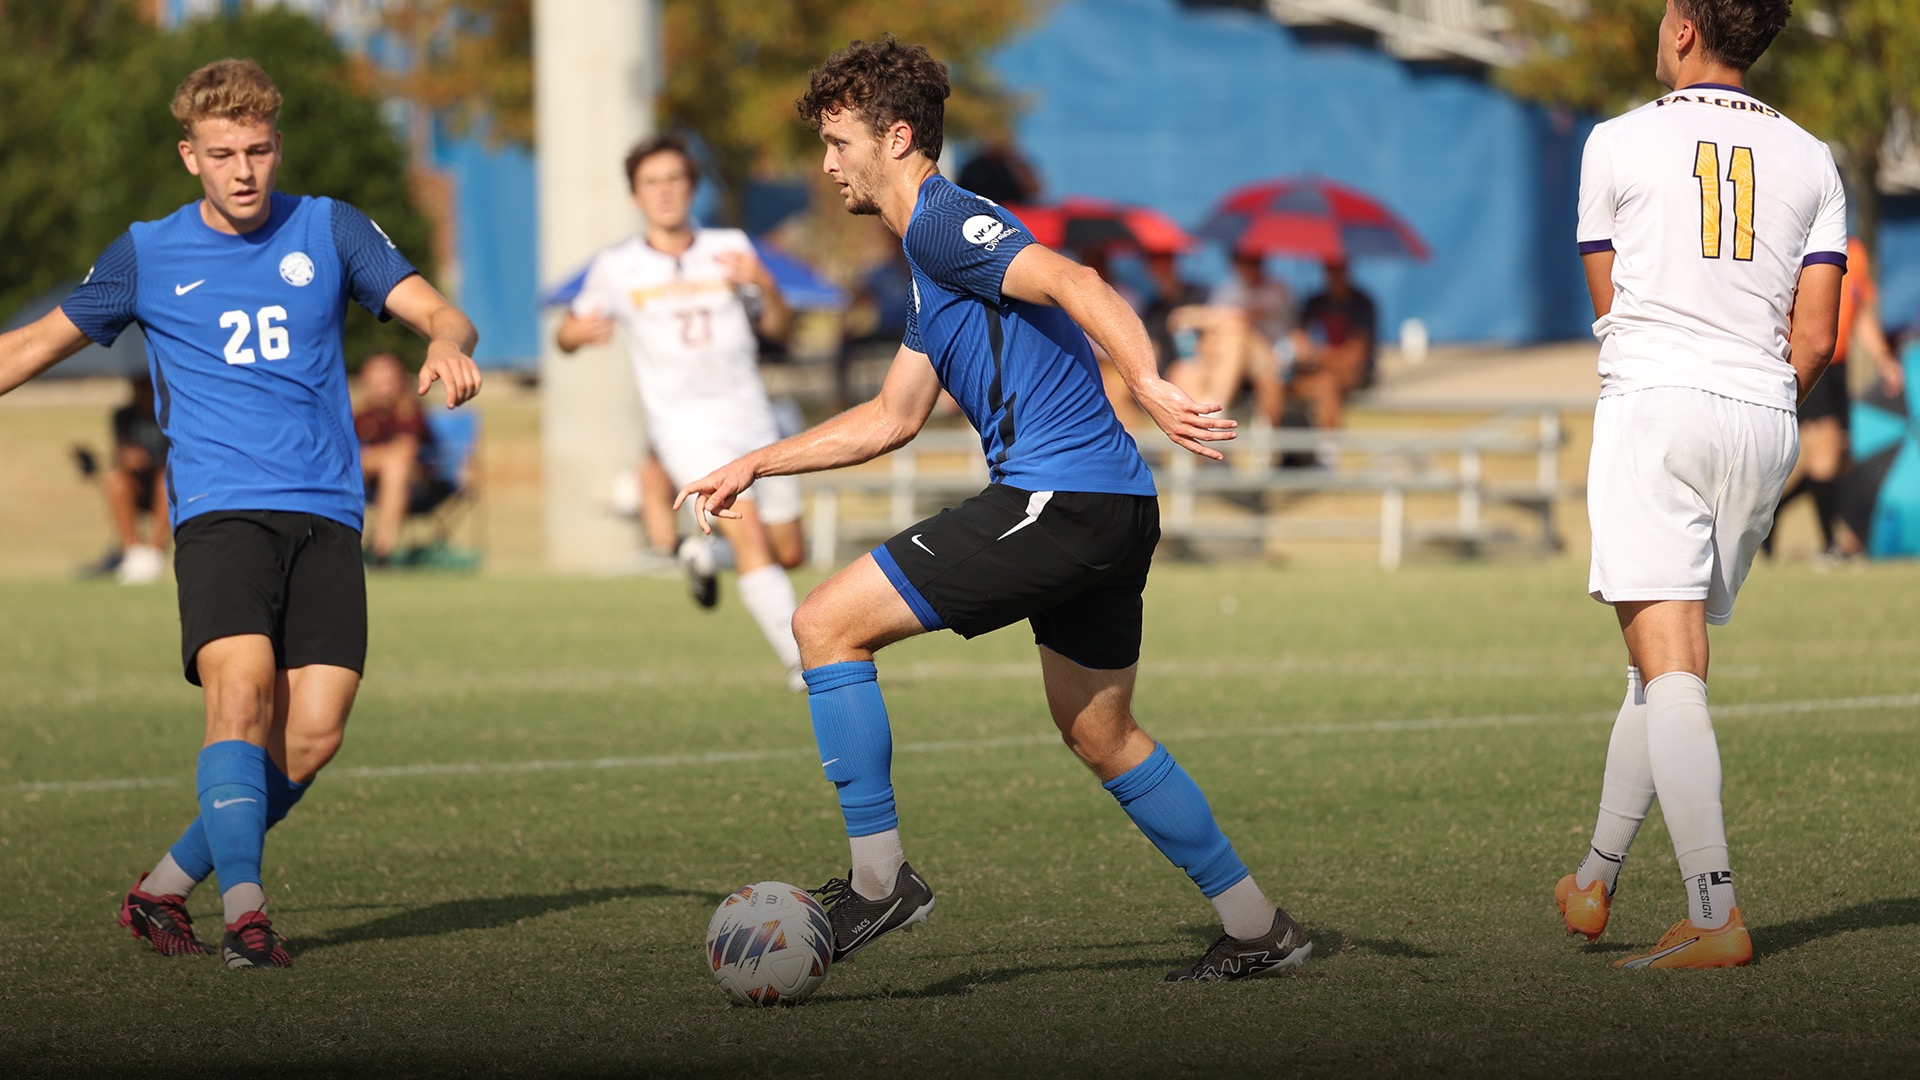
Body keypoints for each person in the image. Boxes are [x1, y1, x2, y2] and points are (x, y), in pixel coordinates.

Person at [676, 36, 1312, 982]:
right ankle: (1261, 928)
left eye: (840, 141)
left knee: (824, 624)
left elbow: (1077, 280)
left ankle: (880, 879)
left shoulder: (943, 223)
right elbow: (891, 419)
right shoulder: (930, 266)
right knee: (1100, 731)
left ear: (896, 138)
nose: (827, 163)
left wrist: (1148, 381)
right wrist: (758, 463)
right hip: (1112, 506)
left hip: (1061, 499)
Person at [0, 58, 482, 968]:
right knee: (242, 694)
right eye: (223, 154)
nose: (245, 170)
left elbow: (444, 313)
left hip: (329, 514)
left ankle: (162, 891)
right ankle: (248, 918)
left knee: (313, 733)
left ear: (277, 146)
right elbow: (30, 345)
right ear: (191, 157)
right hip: (220, 514)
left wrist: (449, 347)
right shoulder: (147, 251)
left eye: (258, 150)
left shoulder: (330, 228)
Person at [1557, 0, 1844, 970]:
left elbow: (1612, 307)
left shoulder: (1615, 142)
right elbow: (1817, 339)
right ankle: (1594, 877)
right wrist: (1760, 400)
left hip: (1659, 403)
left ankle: (1714, 913)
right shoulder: (1814, 157)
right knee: (1657, 666)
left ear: (1684, 28)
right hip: (1764, 417)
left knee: (1671, 665)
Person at [555, 134, 807, 686]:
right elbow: (565, 334)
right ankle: (801, 660)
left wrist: (765, 284)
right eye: (652, 182)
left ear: (691, 188)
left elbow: (781, 329)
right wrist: (577, 331)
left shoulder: (730, 246)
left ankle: (699, 554)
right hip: (684, 427)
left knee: (790, 550)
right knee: (752, 535)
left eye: (674, 179)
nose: (664, 192)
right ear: (634, 197)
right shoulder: (617, 266)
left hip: (753, 416)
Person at [1766, 235, 1903, 557]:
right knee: (1825, 454)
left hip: (1840, 367)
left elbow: (1860, 313)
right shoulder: (1799, 246)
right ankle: (1830, 546)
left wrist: (1885, 361)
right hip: (1811, 358)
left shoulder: (1854, 252)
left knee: (1840, 459)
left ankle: (1773, 516)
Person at [1166, 249, 1292, 427]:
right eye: (1243, 262)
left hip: (1272, 359)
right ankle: (1203, 420)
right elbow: (1188, 320)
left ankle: (1213, 409)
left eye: (1253, 262)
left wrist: (1197, 317)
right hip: (1235, 360)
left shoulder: (1277, 290)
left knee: (1236, 332)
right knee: (1186, 371)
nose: (1248, 268)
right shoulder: (1229, 290)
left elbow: (1241, 316)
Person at [353, 351, 433, 566]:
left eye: (387, 382)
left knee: (396, 466)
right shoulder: (363, 415)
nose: (382, 388)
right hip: (370, 483)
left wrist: (369, 459)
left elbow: (406, 451)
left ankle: (382, 550)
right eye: (375, 383)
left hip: (418, 484)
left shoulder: (410, 412)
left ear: (399, 381)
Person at [1293, 258, 1378, 430]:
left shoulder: (1361, 304)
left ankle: (1327, 449)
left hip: (1349, 374)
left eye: (1339, 268)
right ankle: (1280, 444)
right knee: (1278, 384)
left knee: (1325, 384)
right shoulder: (1314, 303)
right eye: (1331, 268)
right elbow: (1300, 343)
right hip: (1317, 373)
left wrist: (1318, 356)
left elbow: (1355, 359)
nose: (1334, 273)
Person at [103, 375, 172, 584]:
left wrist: (152, 460)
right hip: (137, 484)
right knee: (116, 482)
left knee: (165, 480)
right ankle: (133, 552)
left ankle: (155, 553)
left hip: (163, 481)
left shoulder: (168, 414)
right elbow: (120, 452)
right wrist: (130, 458)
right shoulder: (124, 416)